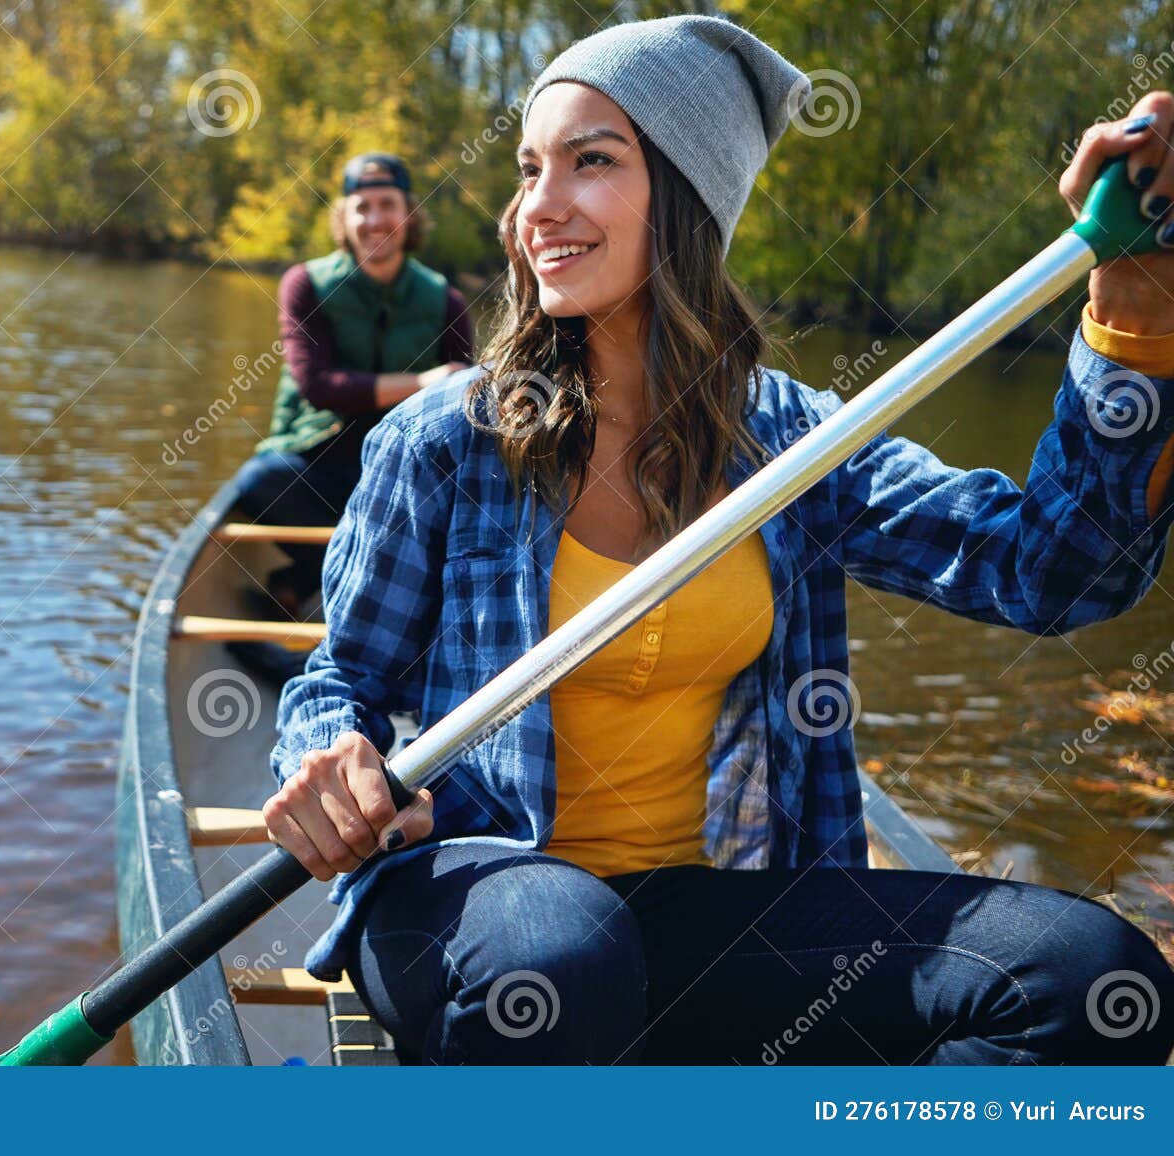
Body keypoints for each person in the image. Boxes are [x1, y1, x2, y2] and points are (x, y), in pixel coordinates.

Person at [261, 15, 1174, 1065]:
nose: (536, 207)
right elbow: (339, 681)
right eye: (528, 169)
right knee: (563, 957)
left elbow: (1056, 572)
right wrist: (332, 759)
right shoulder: (443, 440)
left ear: (689, 200)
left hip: (696, 910)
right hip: (473, 897)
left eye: (591, 161)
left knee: (1094, 977)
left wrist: (1135, 308)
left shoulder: (795, 442)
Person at [233, 153, 473, 619]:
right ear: (344, 217)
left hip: (401, 467)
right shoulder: (305, 284)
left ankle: (302, 584)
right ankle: (356, 578)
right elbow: (319, 386)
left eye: (388, 204)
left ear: (409, 215)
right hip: (319, 459)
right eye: (362, 207)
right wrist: (423, 382)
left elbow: (464, 402)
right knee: (260, 481)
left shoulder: (446, 300)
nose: (375, 220)